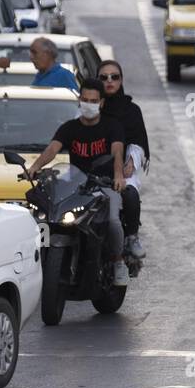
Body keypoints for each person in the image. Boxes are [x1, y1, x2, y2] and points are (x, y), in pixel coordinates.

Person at [25, 78, 131, 286]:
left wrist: (118, 176)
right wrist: (35, 167)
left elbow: (117, 152)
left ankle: (118, 262)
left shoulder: (112, 126)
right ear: (79, 101)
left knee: (113, 220)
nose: (88, 104)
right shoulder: (69, 128)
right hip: (76, 184)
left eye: (93, 101)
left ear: (101, 103)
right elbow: (52, 150)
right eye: (84, 99)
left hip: (104, 184)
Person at [98, 60, 149, 259]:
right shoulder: (91, 106)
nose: (109, 81)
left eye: (114, 77)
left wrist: (131, 162)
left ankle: (131, 237)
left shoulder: (131, 110)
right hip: (92, 170)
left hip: (122, 171)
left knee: (130, 195)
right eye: (104, 77)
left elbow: (138, 142)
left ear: (121, 80)